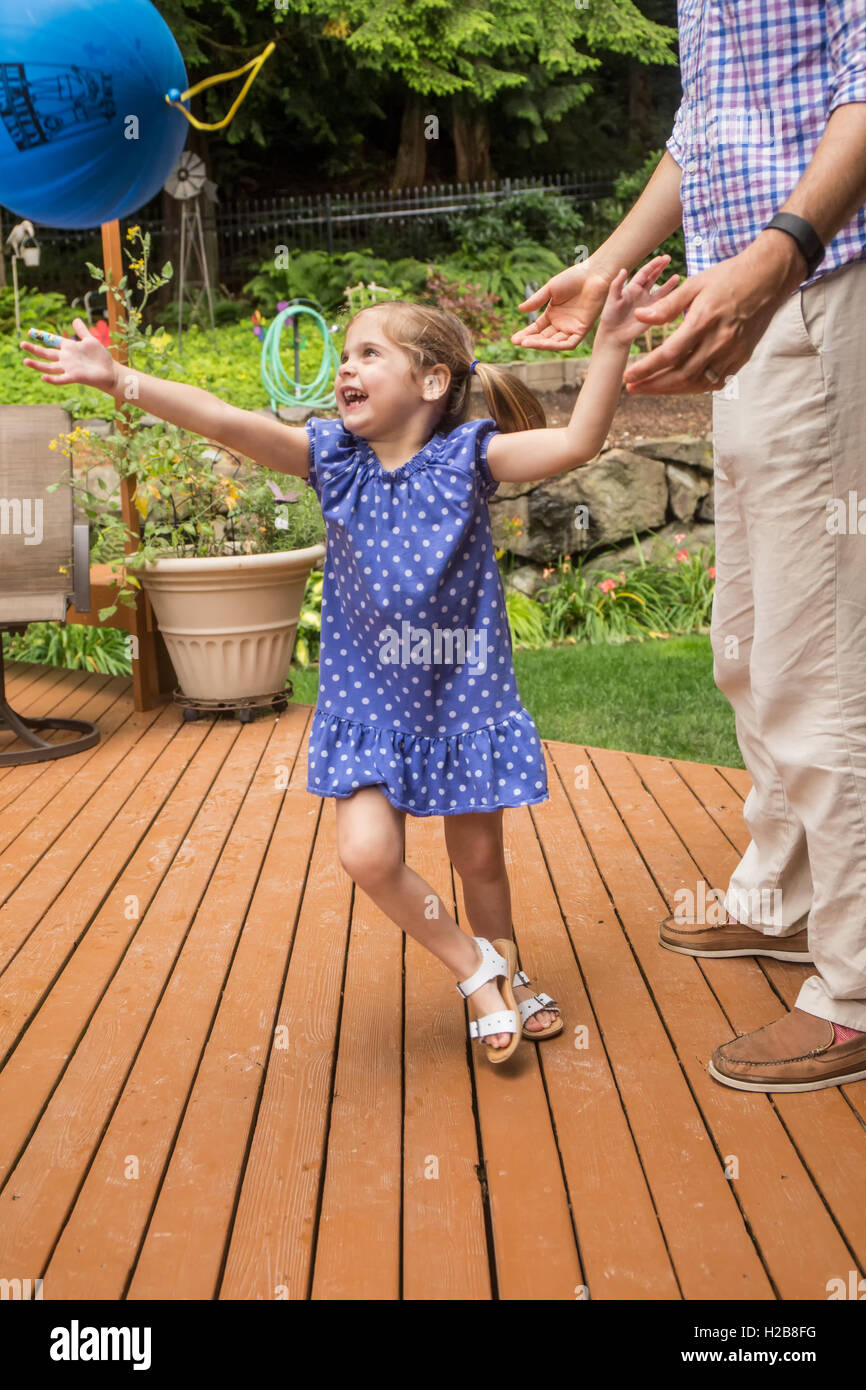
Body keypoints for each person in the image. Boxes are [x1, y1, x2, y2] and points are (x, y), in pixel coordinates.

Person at [21, 254, 677, 1063]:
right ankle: (476, 970)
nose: (347, 368)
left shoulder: (471, 460)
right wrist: (119, 378)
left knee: (479, 861)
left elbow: (580, 440)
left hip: (461, 702)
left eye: (370, 353)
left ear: (433, 383)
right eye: (345, 355)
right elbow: (223, 419)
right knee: (367, 855)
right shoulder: (332, 462)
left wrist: (611, 339)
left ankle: (507, 966)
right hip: (369, 709)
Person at [513, 1, 866, 1092]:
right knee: (745, 642)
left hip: (817, 282)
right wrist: (608, 264)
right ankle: (785, 896)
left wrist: (780, 252)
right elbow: (707, 120)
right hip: (749, 303)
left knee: (822, 662)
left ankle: (853, 985)